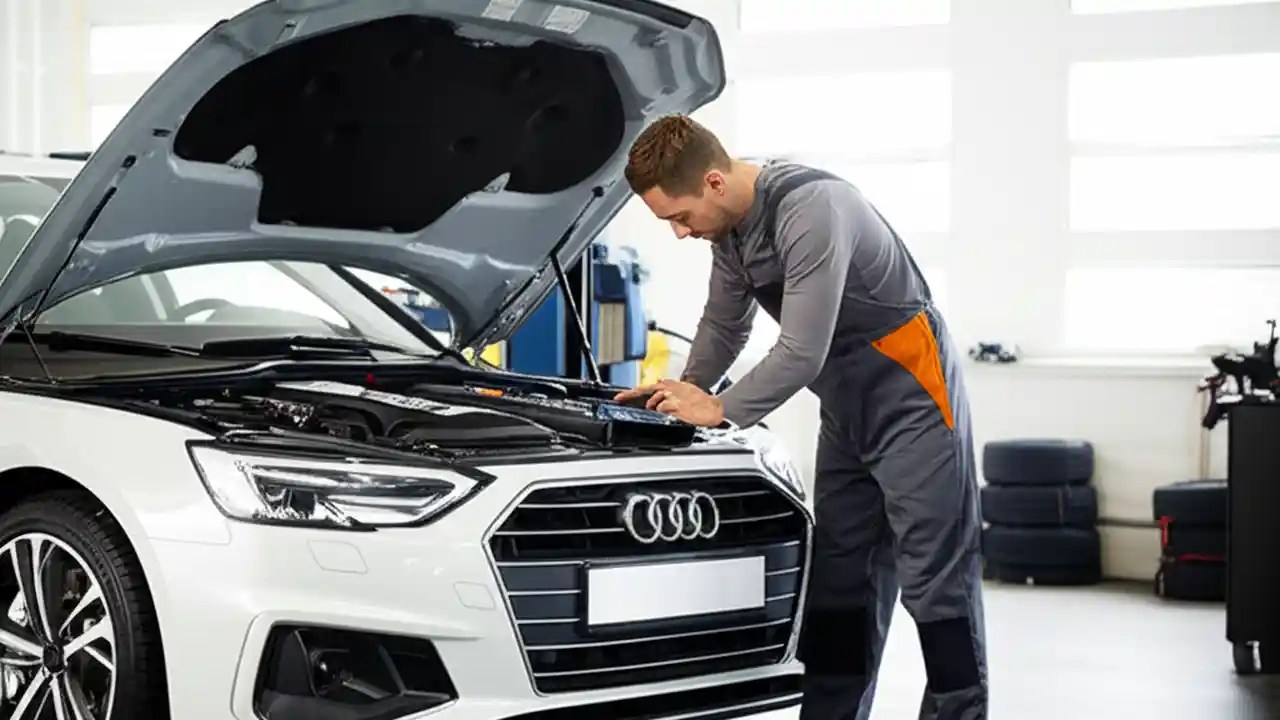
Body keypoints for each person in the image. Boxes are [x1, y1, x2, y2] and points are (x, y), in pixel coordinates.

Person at [613, 115, 987, 720]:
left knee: (936, 585)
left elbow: (801, 351)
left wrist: (719, 410)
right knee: (841, 583)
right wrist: (681, 391)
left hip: (915, 400)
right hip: (846, 410)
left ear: (712, 182)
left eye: (678, 217)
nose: (680, 233)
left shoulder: (813, 207)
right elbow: (723, 324)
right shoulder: (729, 229)